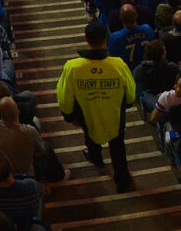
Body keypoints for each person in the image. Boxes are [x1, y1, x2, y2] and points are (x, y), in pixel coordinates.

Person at [58, 23, 137, 192]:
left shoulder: (72, 67)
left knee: (90, 136)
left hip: (87, 113)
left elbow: (64, 95)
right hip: (114, 114)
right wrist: (127, 103)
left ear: (86, 39)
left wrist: (68, 115)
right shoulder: (118, 64)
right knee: (118, 146)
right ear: (105, 40)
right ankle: (122, 180)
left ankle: (96, 158)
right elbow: (131, 93)